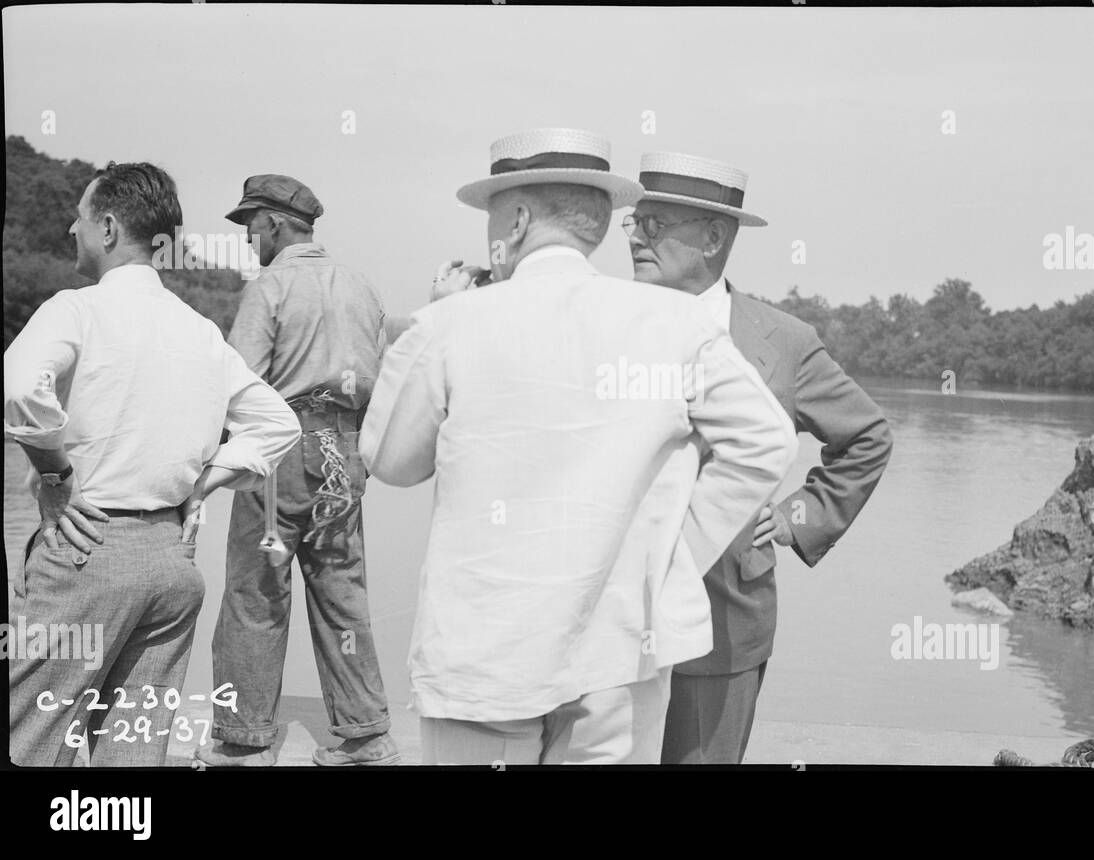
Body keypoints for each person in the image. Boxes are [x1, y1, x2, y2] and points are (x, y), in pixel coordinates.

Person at [360, 128, 798, 764]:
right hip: (620, 650)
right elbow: (765, 441)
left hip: (484, 659)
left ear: (515, 219)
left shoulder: (453, 323)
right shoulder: (675, 324)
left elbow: (391, 462)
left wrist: (432, 318)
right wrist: (673, 552)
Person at [5, 161, 300, 767]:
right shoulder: (198, 331)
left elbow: (16, 387)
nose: (70, 228)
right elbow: (278, 424)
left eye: (80, 218)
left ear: (108, 228)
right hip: (171, 564)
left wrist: (55, 475)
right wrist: (203, 483)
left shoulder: (75, 309)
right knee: (133, 755)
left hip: (85, 553)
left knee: (29, 745)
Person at [626, 151, 894, 764]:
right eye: (634, 223)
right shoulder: (611, 324)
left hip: (724, 619)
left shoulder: (786, 342)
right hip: (616, 618)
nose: (637, 239)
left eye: (656, 225)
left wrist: (802, 514)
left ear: (715, 236)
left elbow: (867, 437)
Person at [196, 175, 396, 767]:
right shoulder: (363, 286)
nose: (249, 237)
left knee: (255, 594)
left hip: (280, 454)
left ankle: (242, 736)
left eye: (250, 225)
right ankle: (368, 735)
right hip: (344, 450)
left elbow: (236, 386)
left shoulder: (271, 287)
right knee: (343, 594)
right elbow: (378, 382)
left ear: (275, 224)